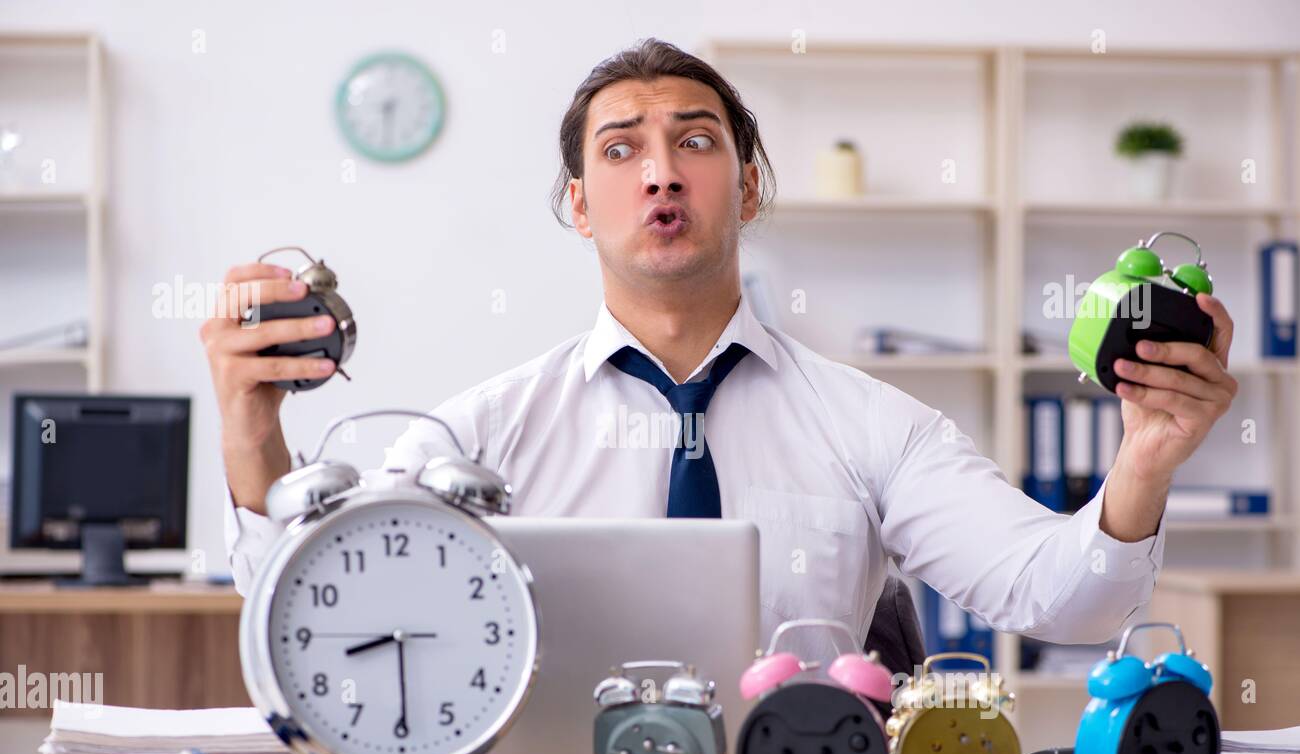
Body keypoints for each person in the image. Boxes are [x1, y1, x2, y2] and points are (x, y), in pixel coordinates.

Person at [201, 38, 1238, 653]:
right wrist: (253, 434)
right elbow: (319, 612)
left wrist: (1143, 457)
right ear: (577, 203)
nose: (660, 173)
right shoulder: (473, 435)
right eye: (623, 150)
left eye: (693, 141)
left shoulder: (875, 426)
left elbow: (1068, 600)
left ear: (745, 186)